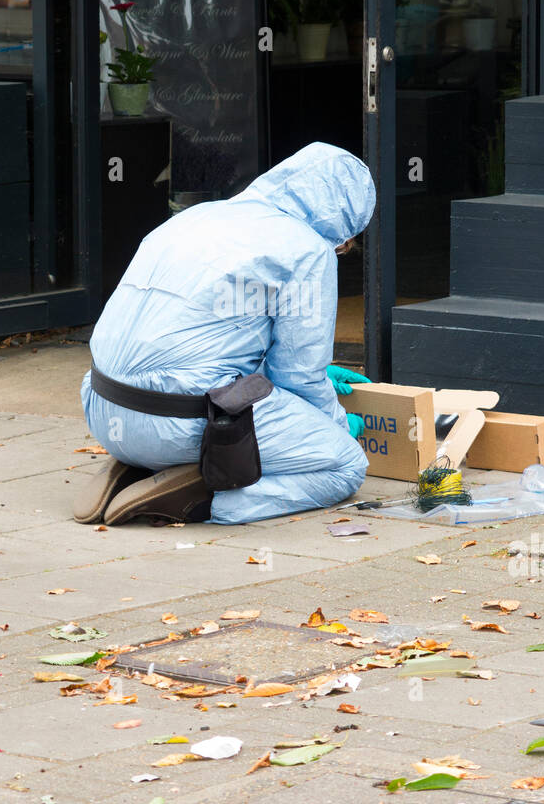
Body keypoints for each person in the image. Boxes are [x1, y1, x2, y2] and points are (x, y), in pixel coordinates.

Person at [75, 141, 376, 526]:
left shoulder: (196, 216)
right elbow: (298, 376)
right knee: (345, 466)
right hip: (178, 423)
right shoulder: (307, 248)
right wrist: (332, 427)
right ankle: (202, 495)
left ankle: (142, 465)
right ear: (339, 222)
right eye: (345, 241)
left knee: (198, 400)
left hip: (102, 407)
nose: (341, 248)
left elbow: (202, 338)